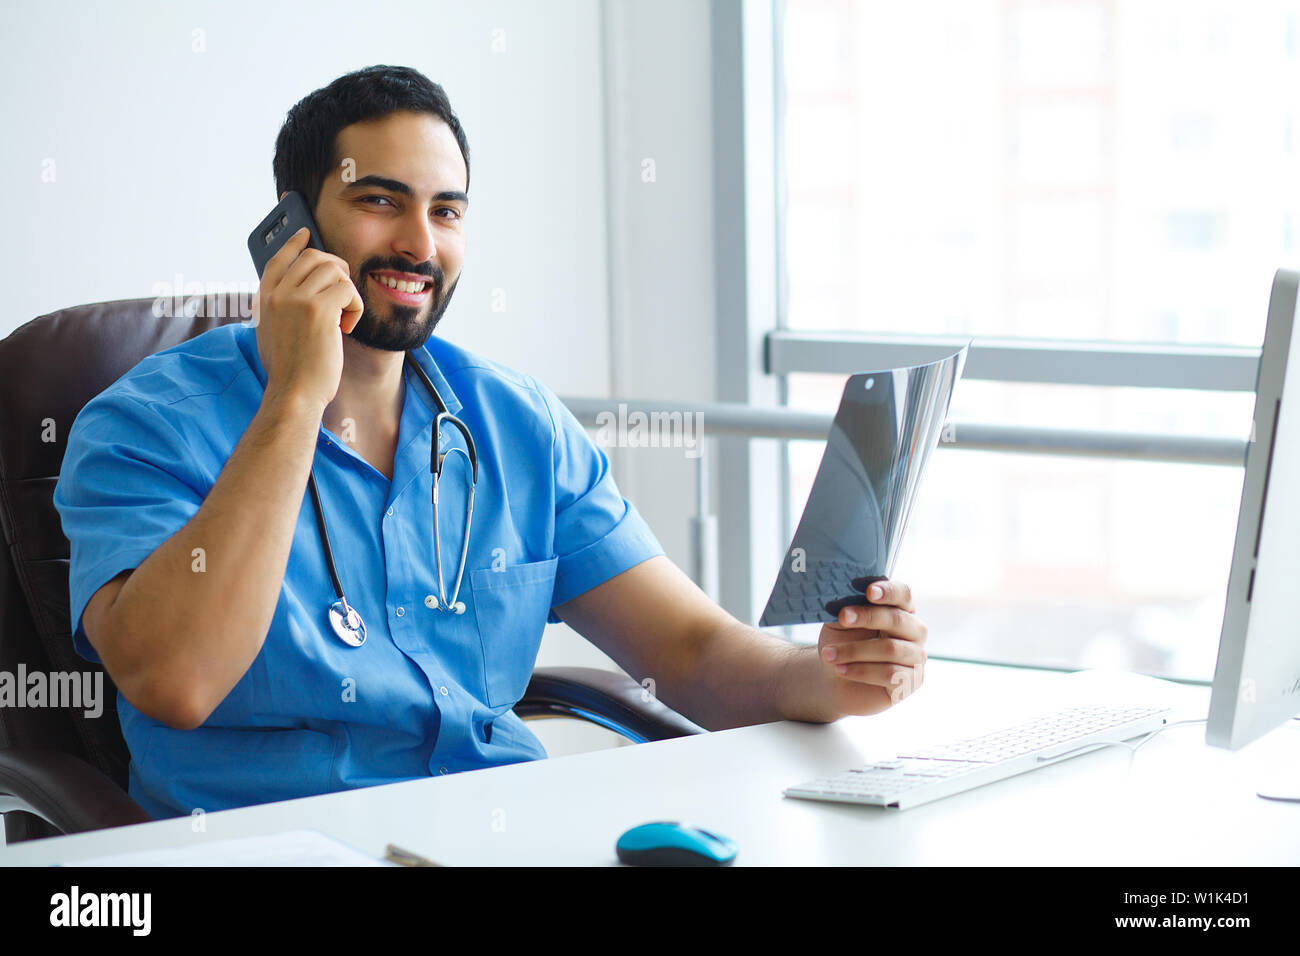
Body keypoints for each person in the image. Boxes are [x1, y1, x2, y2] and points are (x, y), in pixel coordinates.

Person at [53, 65, 928, 820]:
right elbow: (179, 680)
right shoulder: (143, 424)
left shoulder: (515, 422)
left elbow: (690, 652)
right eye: (379, 201)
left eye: (446, 211)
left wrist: (824, 677)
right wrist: (293, 400)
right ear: (292, 228)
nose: (419, 243)